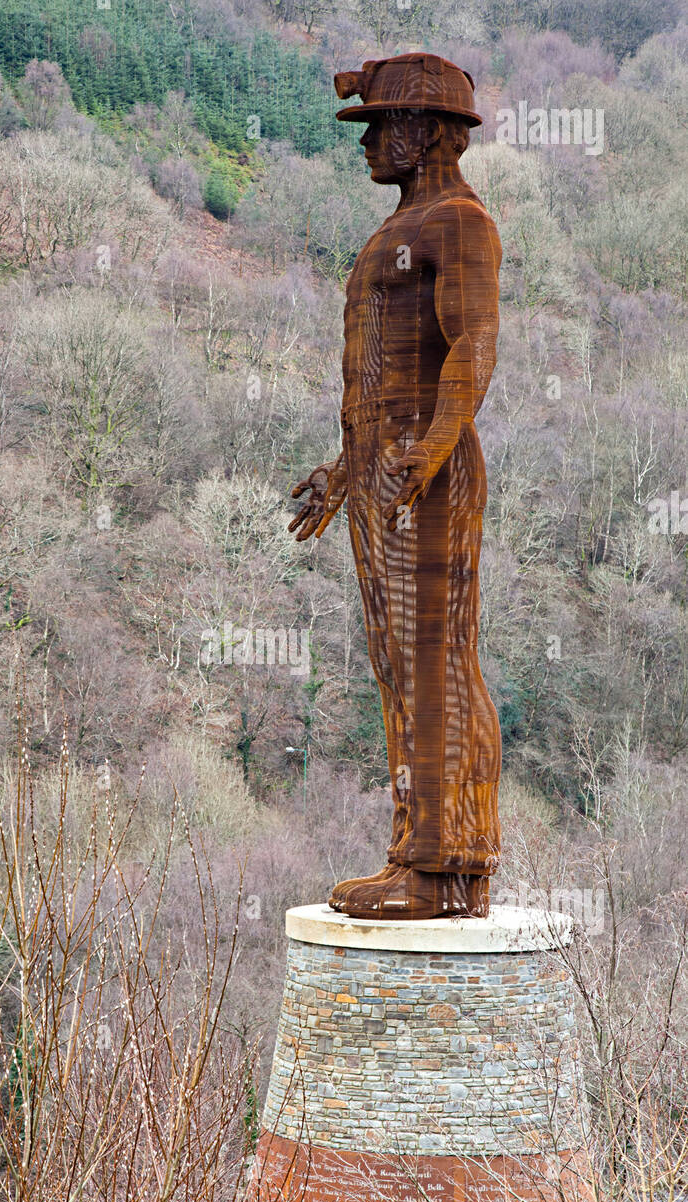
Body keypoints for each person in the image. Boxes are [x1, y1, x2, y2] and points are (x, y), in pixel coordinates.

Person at [289, 53, 502, 919]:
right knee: (397, 659)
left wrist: (433, 447)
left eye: (383, 124)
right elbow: (379, 372)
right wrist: (344, 470)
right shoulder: (399, 228)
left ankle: (445, 866)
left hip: (427, 470)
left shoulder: (460, 223)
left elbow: (473, 346)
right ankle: (425, 853)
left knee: (435, 658)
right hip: (385, 468)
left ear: (431, 132)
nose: (369, 141)